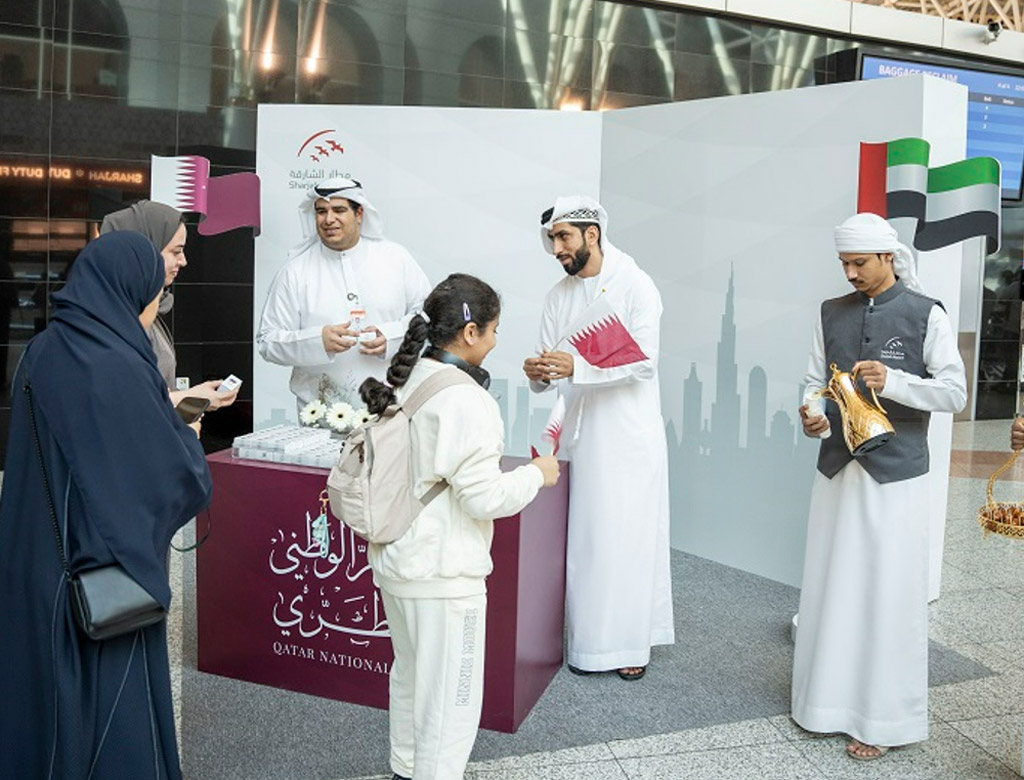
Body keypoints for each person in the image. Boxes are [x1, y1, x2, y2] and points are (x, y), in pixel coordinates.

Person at [0, 231, 213, 779]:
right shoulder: (116, 363)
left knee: (47, 694)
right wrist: (186, 435)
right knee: (113, 706)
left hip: (39, 560)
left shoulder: (42, 349)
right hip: (103, 574)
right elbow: (166, 477)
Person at [360, 273, 559, 780]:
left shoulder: (406, 376)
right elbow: (483, 497)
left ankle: (406, 771)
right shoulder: (468, 400)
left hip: (397, 560)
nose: (495, 341)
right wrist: (536, 474)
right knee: (450, 705)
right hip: (444, 574)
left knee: (410, 680)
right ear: (470, 333)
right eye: (493, 330)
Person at [792, 212, 967, 760]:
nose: (850, 273)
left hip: (896, 477)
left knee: (887, 592)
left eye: (859, 263)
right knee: (832, 584)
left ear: (887, 258)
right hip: (838, 472)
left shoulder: (925, 314)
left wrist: (896, 382)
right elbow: (812, 381)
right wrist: (811, 413)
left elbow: (955, 393)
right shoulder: (830, 313)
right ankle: (822, 704)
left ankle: (882, 719)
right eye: (844, 263)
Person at [522, 196, 674, 681]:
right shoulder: (556, 296)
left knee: (627, 536)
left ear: (592, 234)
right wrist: (539, 373)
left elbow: (645, 361)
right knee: (585, 540)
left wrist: (578, 366)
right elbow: (552, 372)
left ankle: (630, 645)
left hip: (629, 435)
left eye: (564, 237)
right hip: (581, 436)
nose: (557, 248)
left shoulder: (637, 284)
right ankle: (587, 643)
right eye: (552, 239)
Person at [258, 178, 431, 411]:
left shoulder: (395, 258)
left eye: (339, 210)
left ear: (359, 213)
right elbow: (268, 342)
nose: (329, 219)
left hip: (392, 409)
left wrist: (391, 336)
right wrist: (317, 341)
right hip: (321, 416)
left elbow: (427, 315)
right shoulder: (295, 271)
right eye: (321, 211)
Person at [100, 200, 239, 410]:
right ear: (144, 252)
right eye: (175, 251)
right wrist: (190, 398)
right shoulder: (115, 319)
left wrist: (191, 401)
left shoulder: (145, 309)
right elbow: (122, 400)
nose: (183, 261)